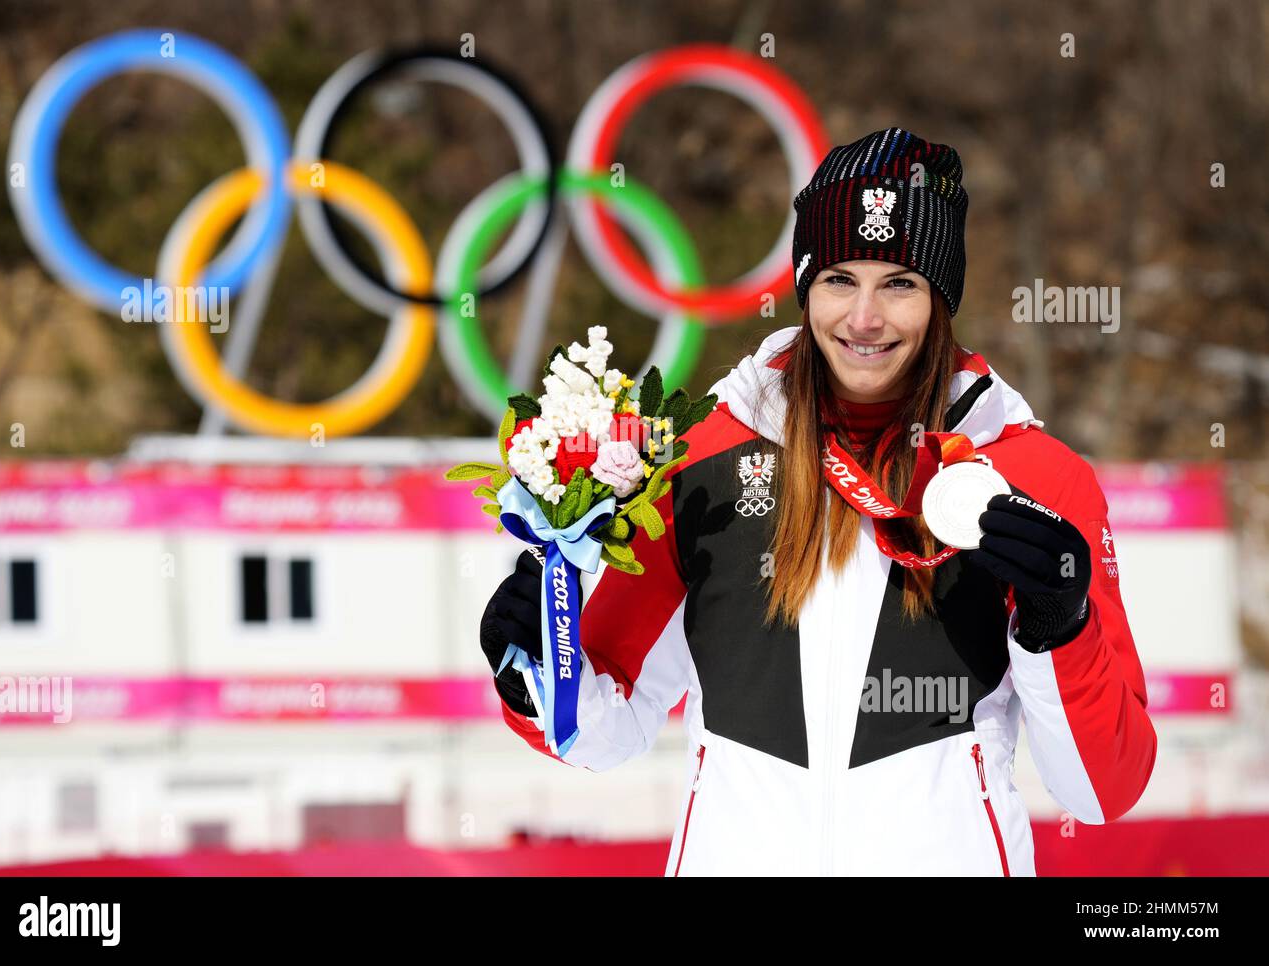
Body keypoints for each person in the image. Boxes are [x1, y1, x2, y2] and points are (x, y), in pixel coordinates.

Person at [479, 127, 1156, 876]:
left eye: (898, 283)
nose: (864, 319)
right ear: (805, 287)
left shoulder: (1031, 475)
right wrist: (533, 666)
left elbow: (1102, 790)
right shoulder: (700, 457)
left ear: (941, 297)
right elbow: (609, 729)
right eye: (839, 279)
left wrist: (1062, 628)